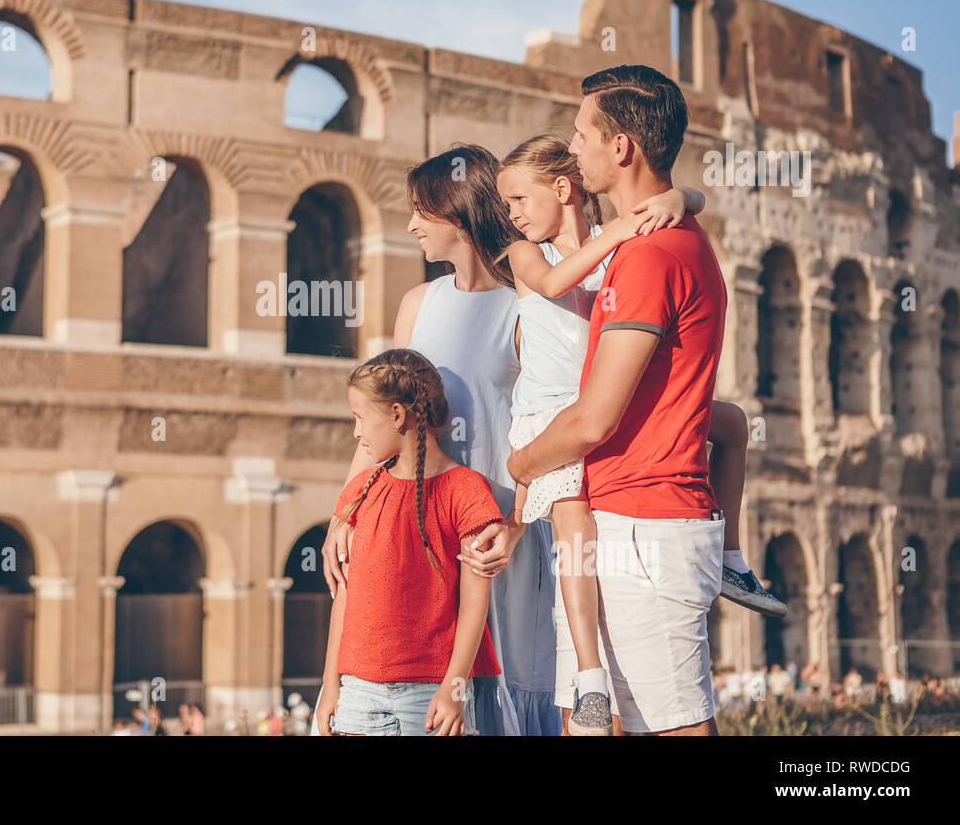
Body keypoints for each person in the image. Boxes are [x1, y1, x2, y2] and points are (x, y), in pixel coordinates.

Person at [487, 134, 771, 733]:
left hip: (607, 406)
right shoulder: (528, 251)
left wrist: (679, 197)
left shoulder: (623, 249)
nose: (509, 212)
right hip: (556, 413)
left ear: (562, 190)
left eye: (517, 197)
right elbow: (557, 283)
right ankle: (590, 673)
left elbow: (682, 200)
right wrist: (626, 227)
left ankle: (731, 554)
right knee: (575, 531)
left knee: (734, 423)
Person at [318, 144, 559, 735]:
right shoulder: (416, 305)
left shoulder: (526, 306)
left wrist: (519, 521)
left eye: (422, 211)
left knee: (508, 671)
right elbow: (382, 423)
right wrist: (341, 514)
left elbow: (548, 426)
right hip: (419, 526)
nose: (411, 225)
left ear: (459, 212)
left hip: (499, 523)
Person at [316, 349, 504, 735]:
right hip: (358, 694)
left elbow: (474, 601)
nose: (356, 433)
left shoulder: (465, 490)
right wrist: (329, 684)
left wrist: (454, 688)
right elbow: (344, 596)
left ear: (398, 416)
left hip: (432, 695)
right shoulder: (359, 492)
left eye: (360, 418)